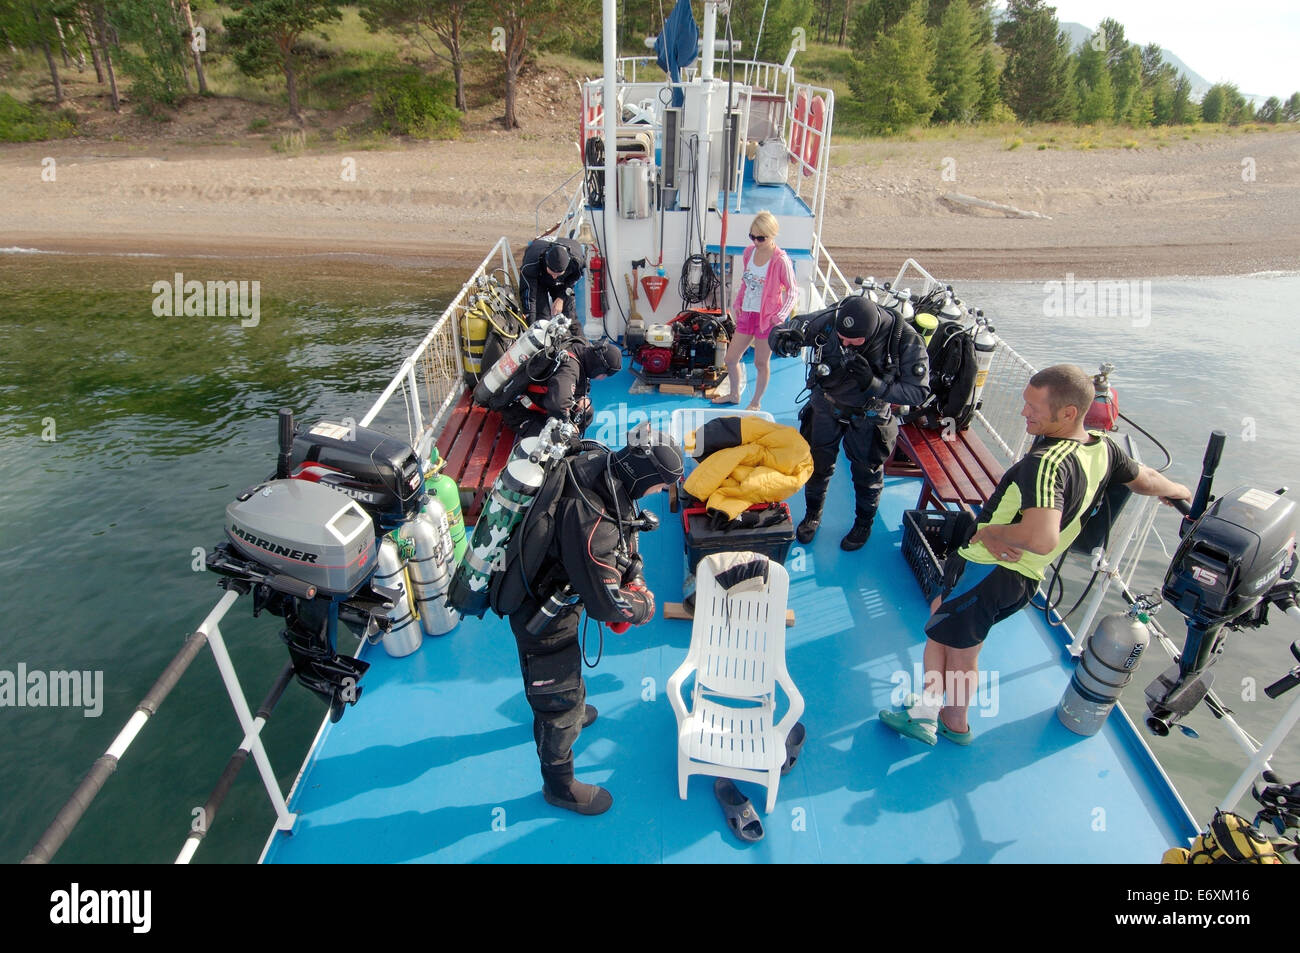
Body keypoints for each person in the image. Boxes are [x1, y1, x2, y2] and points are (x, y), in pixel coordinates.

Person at [878, 364, 1193, 746]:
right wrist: (1177, 490)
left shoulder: (1047, 463)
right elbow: (1144, 478)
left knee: (958, 650)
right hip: (1018, 577)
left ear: (1068, 413)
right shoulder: (1103, 448)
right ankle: (936, 710)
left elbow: (1042, 537)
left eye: (1033, 407)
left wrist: (990, 531)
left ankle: (944, 721)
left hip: (991, 569)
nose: (1023, 412)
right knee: (943, 623)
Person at [509, 424, 684, 814]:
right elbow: (608, 607)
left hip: (554, 589)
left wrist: (632, 567)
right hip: (542, 614)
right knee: (557, 701)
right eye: (660, 487)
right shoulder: (593, 522)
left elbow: (621, 536)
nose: (658, 495)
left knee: (562, 679)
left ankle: (564, 704)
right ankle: (559, 784)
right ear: (647, 477)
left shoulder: (598, 462)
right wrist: (645, 606)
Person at [768, 294, 930, 551]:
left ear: (871, 333)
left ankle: (863, 525)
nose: (844, 343)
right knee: (817, 465)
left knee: (867, 474)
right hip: (826, 406)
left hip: (869, 415)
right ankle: (812, 516)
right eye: (841, 339)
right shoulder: (834, 320)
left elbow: (918, 392)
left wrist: (874, 385)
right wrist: (781, 338)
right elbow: (798, 325)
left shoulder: (903, 339)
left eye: (852, 341)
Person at [714, 210, 798, 411]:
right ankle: (734, 395)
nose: (756, 241)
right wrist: (738, 303)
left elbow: (793, 291)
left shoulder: (780, 260)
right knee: (730, 358)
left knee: (761, 363)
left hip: (767, 318)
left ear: (772, 236)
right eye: (752, 236)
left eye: (761, 238)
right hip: (747, 314)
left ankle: (755, 402)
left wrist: (779, 316)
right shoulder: (748, 253)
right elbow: (746, 282)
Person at [499, 336, 623, 442]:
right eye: (604, 375)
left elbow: (573, 385)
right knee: (565, 441)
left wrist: (580, 398)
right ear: (598, 368)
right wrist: (570, 433)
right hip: (521, 411)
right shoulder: (569, 370)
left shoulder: (581, 347)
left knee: (586, 413)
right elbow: (558, 406)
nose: (602, 378)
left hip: (545, 399)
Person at [519, 236, 585, 333]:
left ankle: (579, 343)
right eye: (552, 273)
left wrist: (562, 297)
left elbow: (574, 278)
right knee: (541, 318)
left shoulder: (577, 262)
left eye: (558, 274)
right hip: (539, 278)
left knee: (569, 316)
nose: (554, 277)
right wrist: (531, 328)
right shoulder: (531, 264)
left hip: (563, 281)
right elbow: (529, 299)